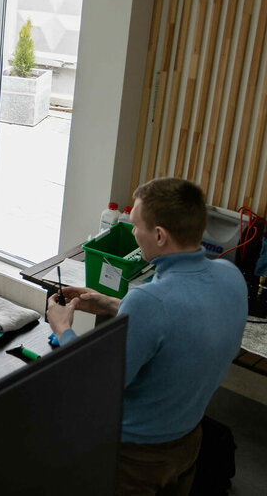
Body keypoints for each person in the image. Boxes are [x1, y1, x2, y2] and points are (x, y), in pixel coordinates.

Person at [46, 177, 246, 496]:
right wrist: (110, 303)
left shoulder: (149, 302)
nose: (134, 233)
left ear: (159, 235)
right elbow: (184, 325)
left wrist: (63, 328)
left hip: (136, 457)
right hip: (188, 441)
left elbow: (98, 385)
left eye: (136, 226)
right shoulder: (231, 277)